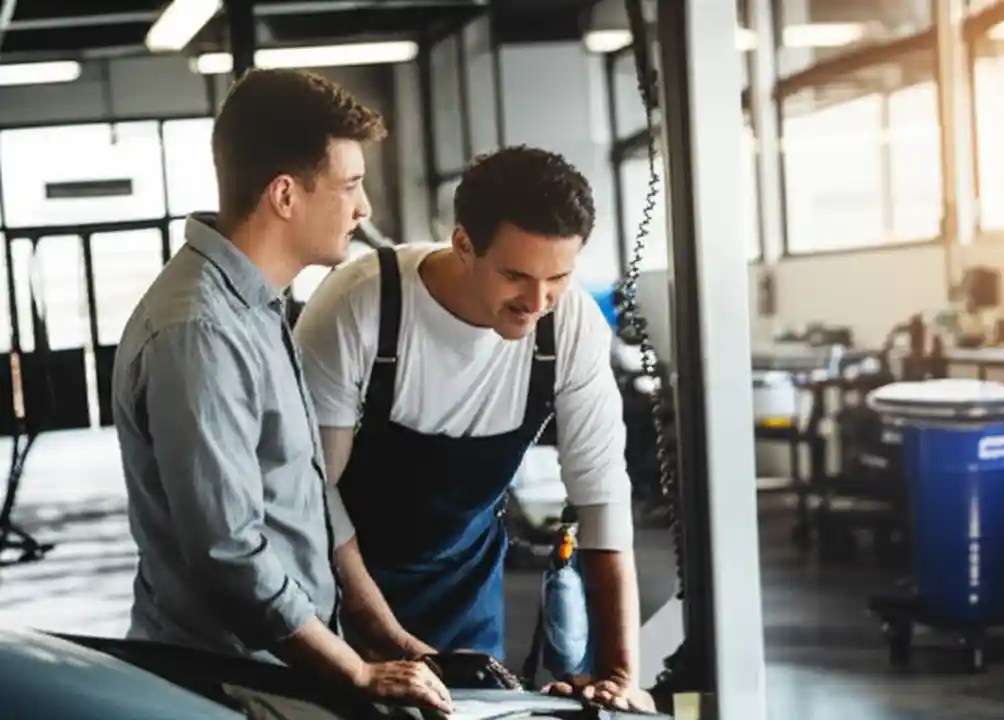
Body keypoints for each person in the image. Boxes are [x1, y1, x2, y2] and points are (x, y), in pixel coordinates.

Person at [111, 68, 451, 714]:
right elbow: (228, 553)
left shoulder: (256, 306)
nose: (365, 208)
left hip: (283, 669)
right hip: (228, 685)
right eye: (350, 185)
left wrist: (372, 621)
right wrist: (355, 673)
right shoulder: (200, 330)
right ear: (285, 195)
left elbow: (307, 487)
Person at [293, 145, 654, 712]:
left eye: (558, 277)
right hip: (338, 578)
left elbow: (602, 493)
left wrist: (618, 674)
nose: (537, 303)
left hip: (465, 579)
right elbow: (311, 495)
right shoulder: (361, 306)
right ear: (463, 244)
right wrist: (387, 639)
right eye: (516, 275)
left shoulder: (571, 324)